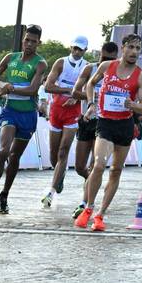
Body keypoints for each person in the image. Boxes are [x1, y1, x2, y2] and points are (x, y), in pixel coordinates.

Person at [74, 33, 142, 231]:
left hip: (124, 126)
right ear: (122, 48)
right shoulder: (107, 67)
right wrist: (91, 104)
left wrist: (133, 104)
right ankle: (88, 208)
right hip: (105, 123)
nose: (134, 52)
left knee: (116, 170)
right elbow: (90, 84)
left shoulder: (141, 77)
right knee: (99, 164)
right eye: (131, 47)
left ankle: (100, 215)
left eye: (138, 49)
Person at [0, 25, 47, 215]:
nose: (29, 44)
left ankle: (4, 195)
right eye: (27, 40)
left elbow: (33, 90)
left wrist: (10, 88)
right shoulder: (10, 58)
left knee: (15, 157)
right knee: (3, 151)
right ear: (23, 40)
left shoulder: (40, 64)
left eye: (34, 41)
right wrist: (1, 84)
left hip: (28, 115)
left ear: (39, 43)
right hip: (10, 112)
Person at [68, 41, 118, 219]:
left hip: (104, 123)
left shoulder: (118, 73)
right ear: (100, 55)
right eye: (105, 58)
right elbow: (75, 92)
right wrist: (94, 99)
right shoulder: (90, 69)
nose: (107, 61)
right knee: (81, 167)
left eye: (111, 59)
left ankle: (84, 203)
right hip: (87, 119)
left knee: (95, 164)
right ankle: (93, 184)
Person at [40, 37, 90, 209]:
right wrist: (70, 91)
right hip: (56, 111)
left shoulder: (87, 67)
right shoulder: (60, 63)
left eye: (81, 50)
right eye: (75, 48)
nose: (77, 52)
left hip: (73, 113)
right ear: (71, 47)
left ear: (85, 51)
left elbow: (88, 93)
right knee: (54, 155)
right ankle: (59, 177)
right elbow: (48, 87)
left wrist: (76, 99)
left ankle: (51, 192)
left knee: (63, 152)